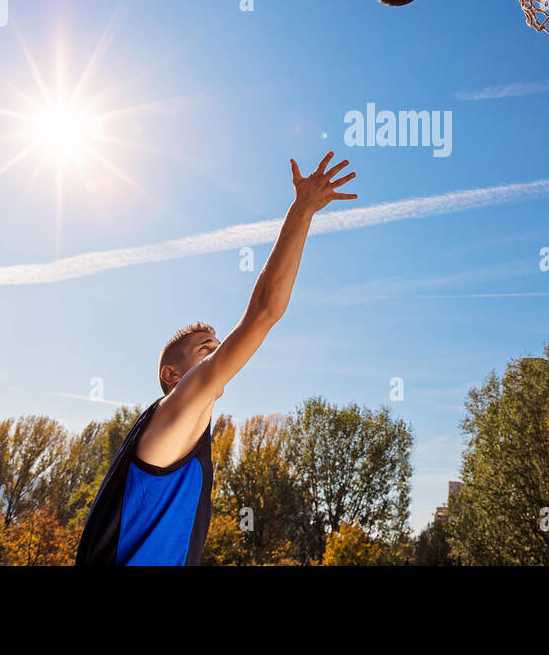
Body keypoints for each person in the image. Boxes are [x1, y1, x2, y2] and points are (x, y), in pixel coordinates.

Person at [75, 152, 357, 565]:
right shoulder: (173, 412)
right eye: (206, 349)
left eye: (217, 345)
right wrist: (302, 209)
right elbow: (264, 312)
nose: (218, 353)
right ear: (171, 375)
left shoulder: (178, 436)